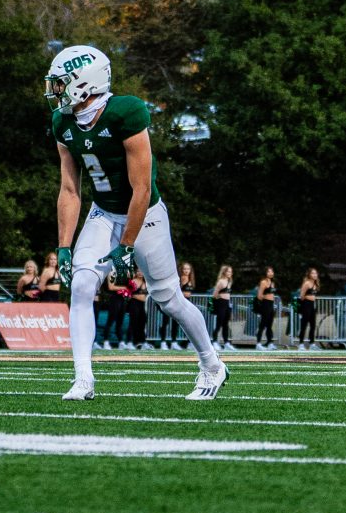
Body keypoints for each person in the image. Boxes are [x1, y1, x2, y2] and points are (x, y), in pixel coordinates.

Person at [47, 44, 226, 403]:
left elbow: (142, 189)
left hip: (144, 214)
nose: (55, 90)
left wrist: (126, 247)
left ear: (85, 82)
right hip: (103, 211)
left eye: (61, 83)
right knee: (82, 284)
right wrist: (64, 246)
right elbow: (69, 189)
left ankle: (212, 364)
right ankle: (83, 378)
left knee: (169, 299)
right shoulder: (62, 122)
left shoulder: (126, 112)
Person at [253, 265, 279, 348]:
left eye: (272, 271)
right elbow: (259, 295)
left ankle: (269, 342)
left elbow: (272, 294)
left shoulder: (272, 282)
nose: (271, 273)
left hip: (271, 304)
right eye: (269, 271)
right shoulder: (263, 282)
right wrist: (265, 299)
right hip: (265, 304)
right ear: (265, 273)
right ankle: (258, 343)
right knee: (263, 323)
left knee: (269, 324)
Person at [294, 265, 320, 347]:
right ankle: (301, 343)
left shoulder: (315, 284)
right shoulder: (307, 283)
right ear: (309, 274)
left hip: (312, 305)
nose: (315, 275)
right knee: (304, 324)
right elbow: (302, 295)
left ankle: (312, 343)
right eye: (313, 273)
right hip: (306, 304)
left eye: (316, 273)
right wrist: (305, 303)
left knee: (313, 325)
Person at [211, 264, 234, 345]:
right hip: (221, 303)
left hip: (227, 303)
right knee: (219, 323)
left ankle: (226, 342)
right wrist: (218, 301)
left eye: (231, 272)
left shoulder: (229, 281)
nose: (230, 273)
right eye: (228, 271)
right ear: (224, 272)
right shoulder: (221, 281)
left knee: (225, 324)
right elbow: (214, 294)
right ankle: (214, 341)